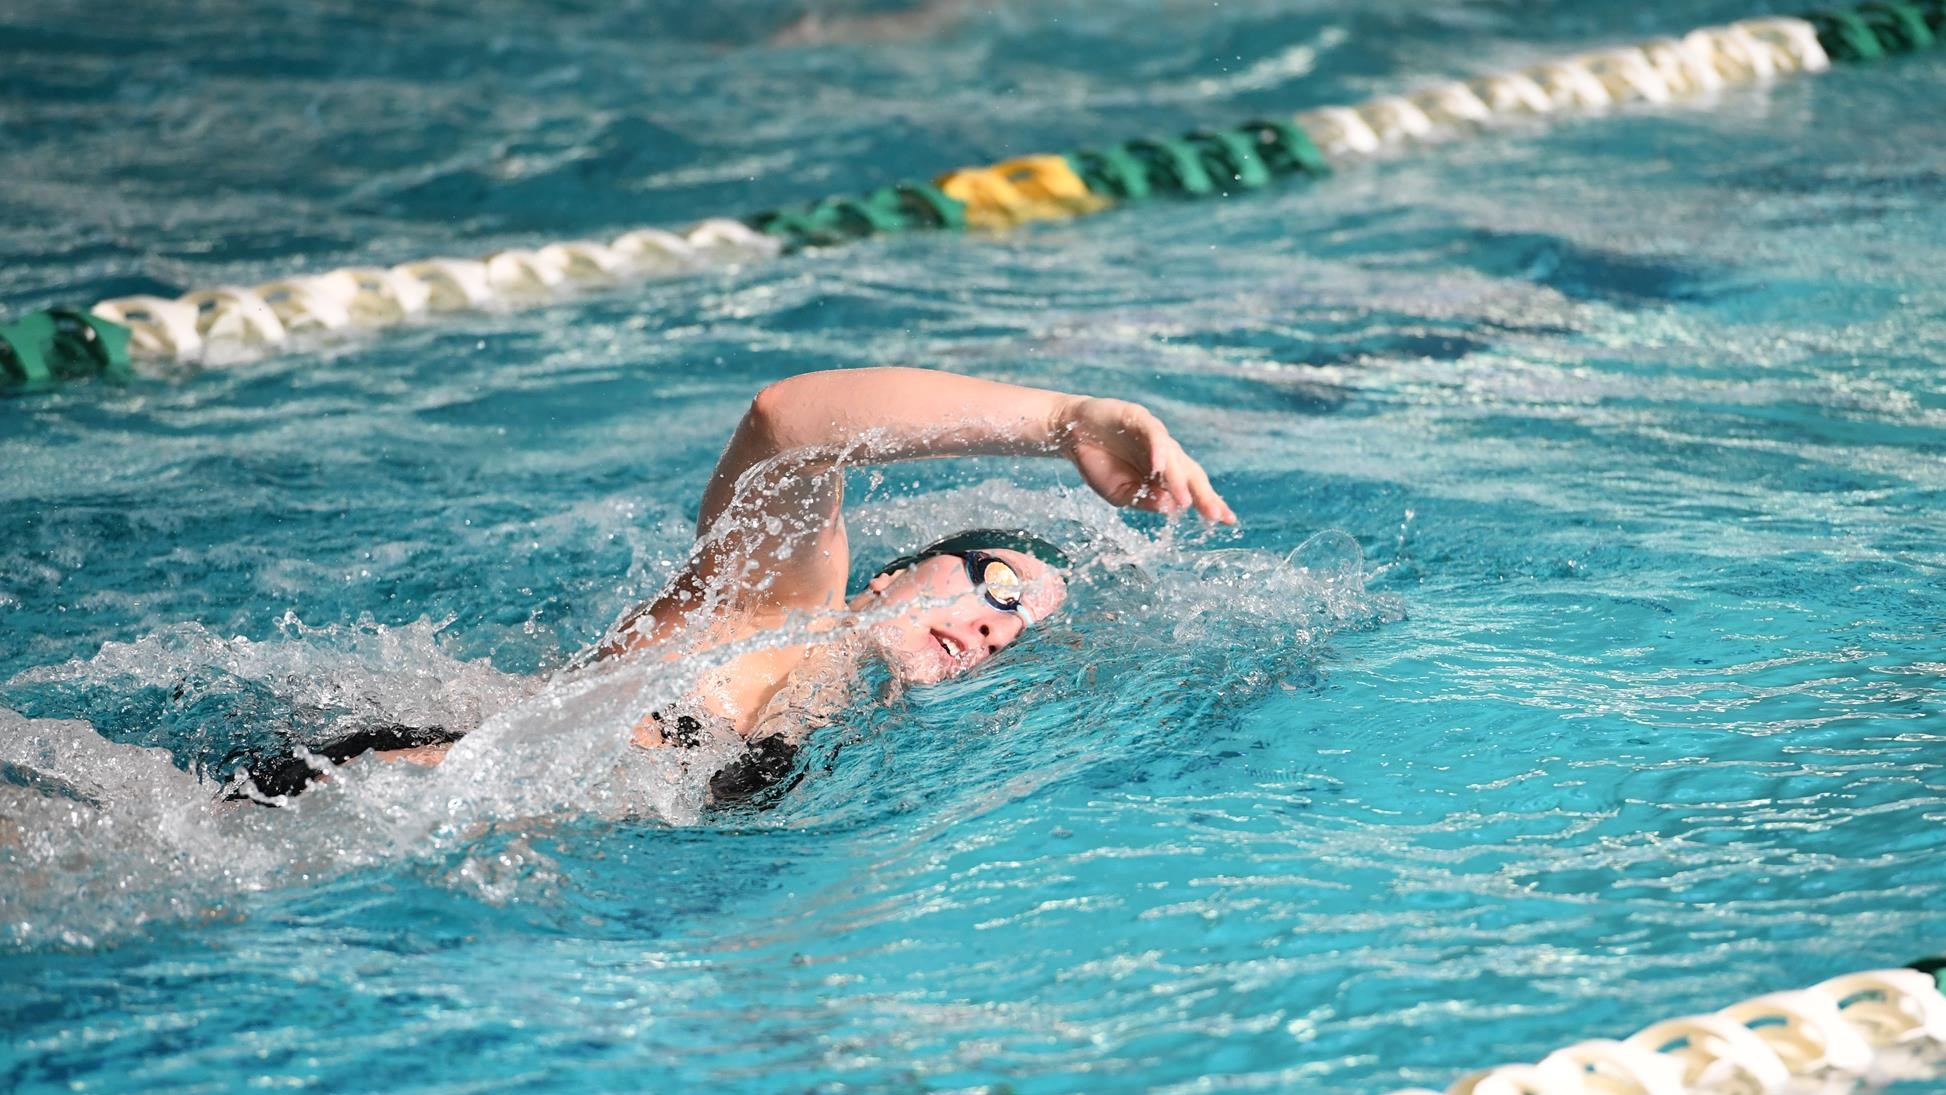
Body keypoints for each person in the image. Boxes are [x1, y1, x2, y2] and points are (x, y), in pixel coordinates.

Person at [231, 366, 1234, 805]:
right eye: (997, 586)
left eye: (1008, 640)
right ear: (897, 573)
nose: (987, 630)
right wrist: (1065, 420)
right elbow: (785, 422)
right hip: (359, 795)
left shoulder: (839, 722)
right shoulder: (786, 608)